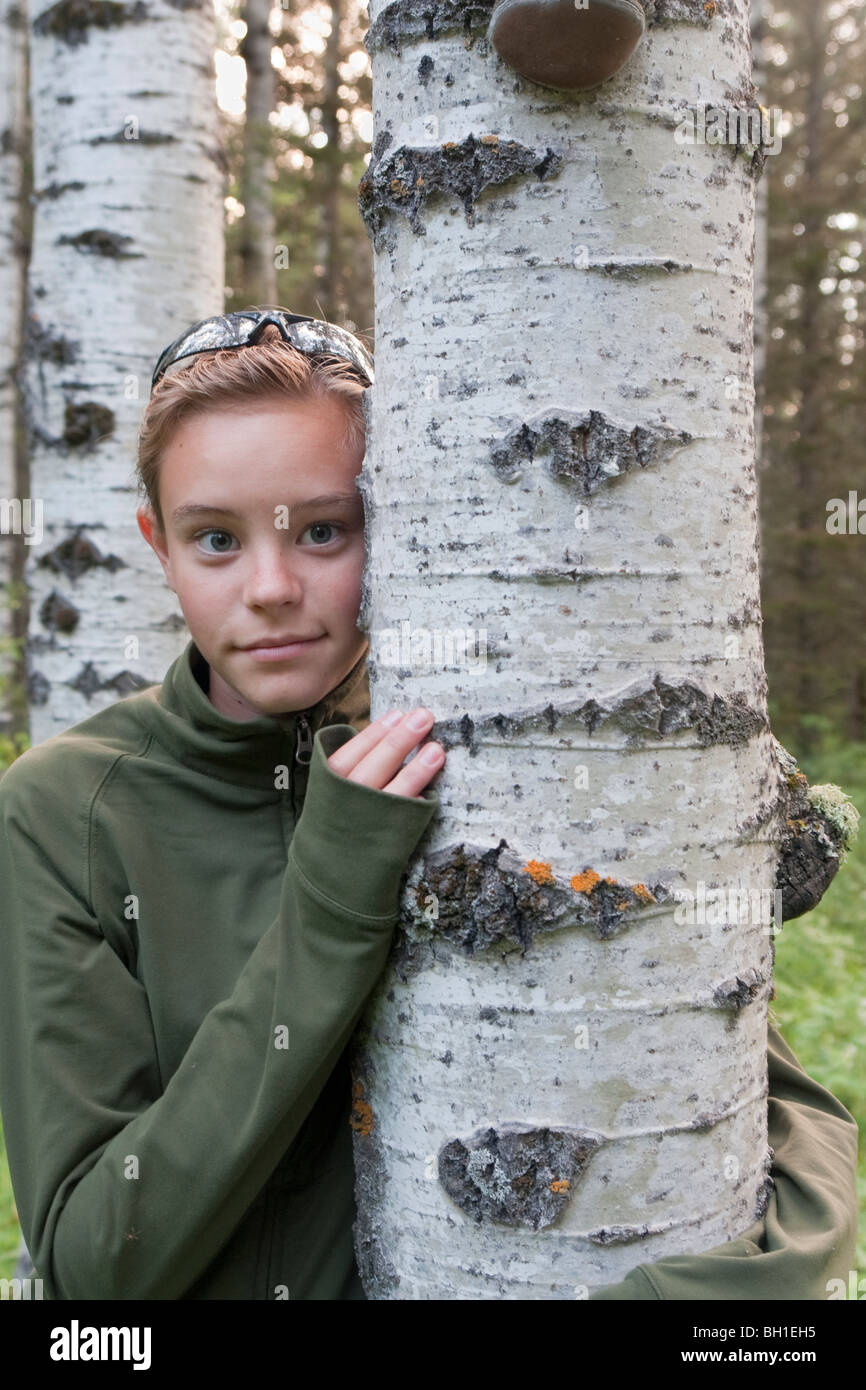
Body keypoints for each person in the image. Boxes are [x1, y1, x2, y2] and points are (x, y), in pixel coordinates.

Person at [0, 309, 857, 1300]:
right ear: (158, 546)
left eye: (323, 530)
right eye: (216, 539)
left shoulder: (500, 752)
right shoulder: (64, 810)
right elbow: (92, 1270)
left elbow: (776, 1099)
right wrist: (328, 905)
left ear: (399, 521)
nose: (272, 587)